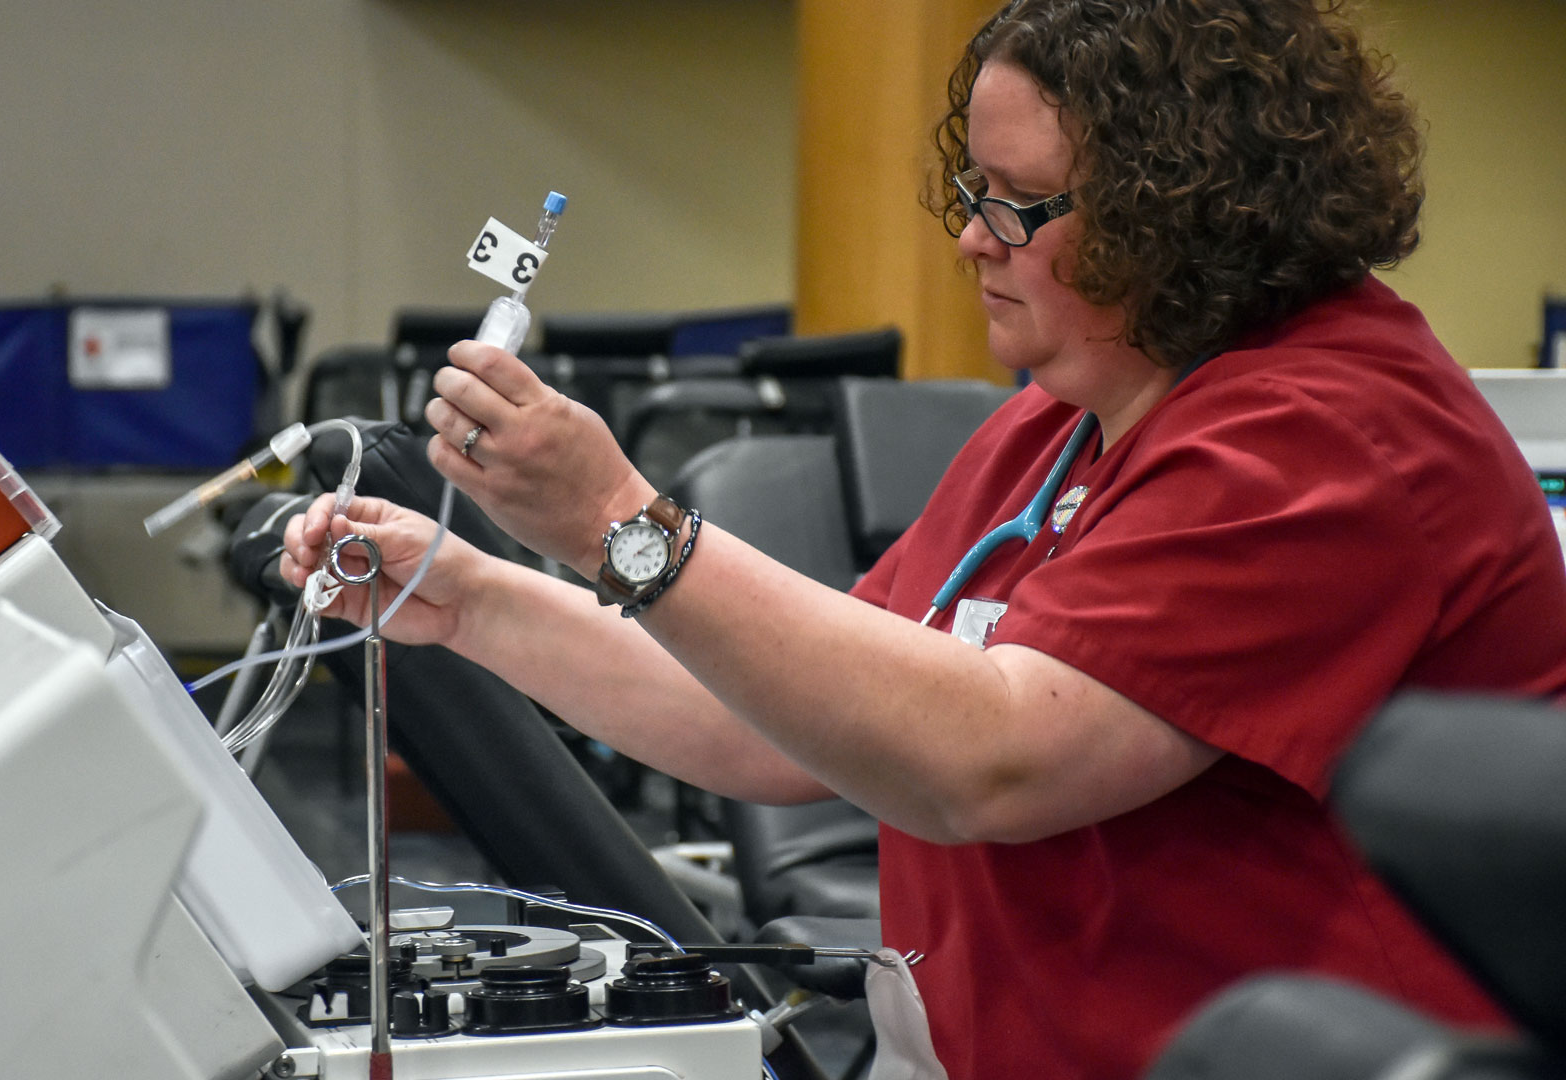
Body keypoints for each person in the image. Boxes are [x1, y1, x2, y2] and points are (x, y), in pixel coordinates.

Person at [284, 1, 1566, 1078]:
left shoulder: (1327, 438)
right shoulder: (1060, 425)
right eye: (974, 191)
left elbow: (990, 763)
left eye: (1017, 205)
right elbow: (780, 722)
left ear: (1185, 210)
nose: (969, 238)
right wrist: (469, 601)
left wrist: (622, 522)